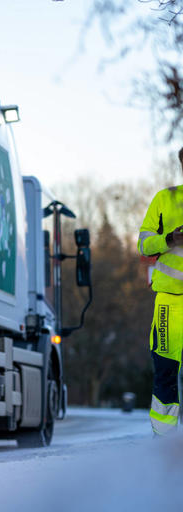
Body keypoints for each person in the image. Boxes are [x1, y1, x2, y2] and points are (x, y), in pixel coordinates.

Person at [137, 146, 183, 435]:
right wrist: (169, 238)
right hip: (170, 301)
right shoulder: (165, 198)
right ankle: (165, 443)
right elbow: (143, 243)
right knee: (165, 370)